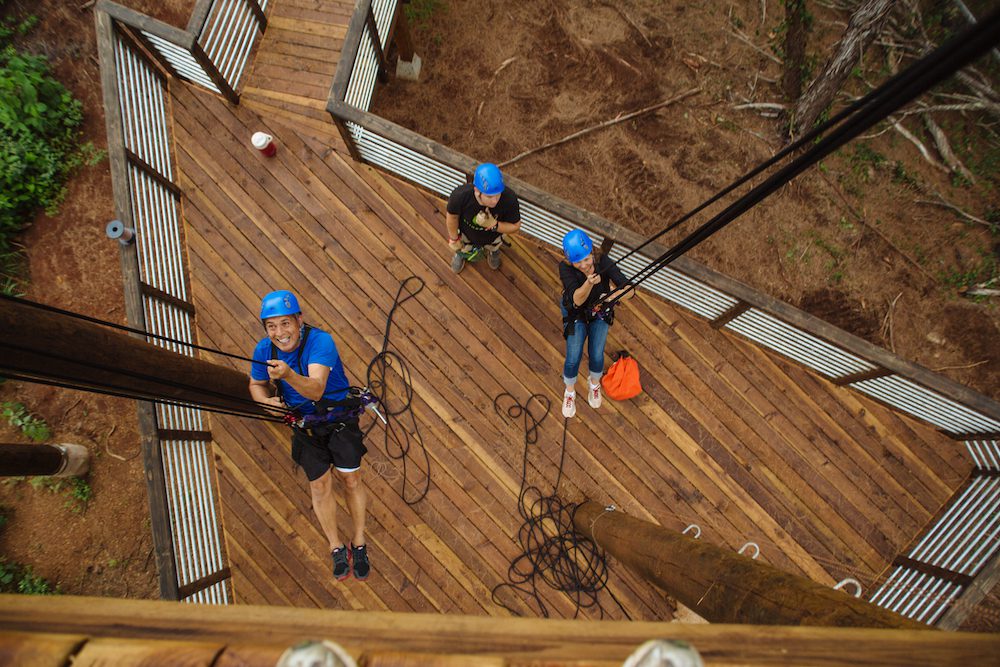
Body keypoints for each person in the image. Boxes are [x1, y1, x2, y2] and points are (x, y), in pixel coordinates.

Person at [248, 290, 371, 582]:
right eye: (272, 326)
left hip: (339, 419)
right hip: (304, 425)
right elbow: (256, 383)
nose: (280, 333)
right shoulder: (264, 351)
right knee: (319, 486)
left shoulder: (320, 342)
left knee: (351, 479)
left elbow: (316, 389)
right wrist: (264, 402)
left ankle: (359, 541)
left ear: (299, 320)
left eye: (285, 323)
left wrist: (288, 375)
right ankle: (336, 546)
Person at [558, 229, 631, 418]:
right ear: (570, 260)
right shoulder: (565, 268)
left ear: (592, 252)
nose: (583, 265)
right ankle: (570, 392)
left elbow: (630, 290)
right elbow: (577, 300)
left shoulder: (603, 261)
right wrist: (589, 283)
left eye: (586, 259)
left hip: (599, 311)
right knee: (573, 355)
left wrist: (611, 297)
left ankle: (594, 384)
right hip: (577, 312)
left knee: (597, 353)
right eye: (578, 262)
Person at [445, 162, 521, 273]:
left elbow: (515, 226)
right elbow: (452, 217)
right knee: (463, 246)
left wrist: (494, 225)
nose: (495, 200)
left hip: (493, 237)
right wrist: (454, 238)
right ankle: (462, 254)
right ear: (477, 191)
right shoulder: (461, 196)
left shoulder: (509, 199)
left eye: (498, 194)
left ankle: (493, 251)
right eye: (489, 196)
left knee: (494, 246)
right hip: (466, 234)